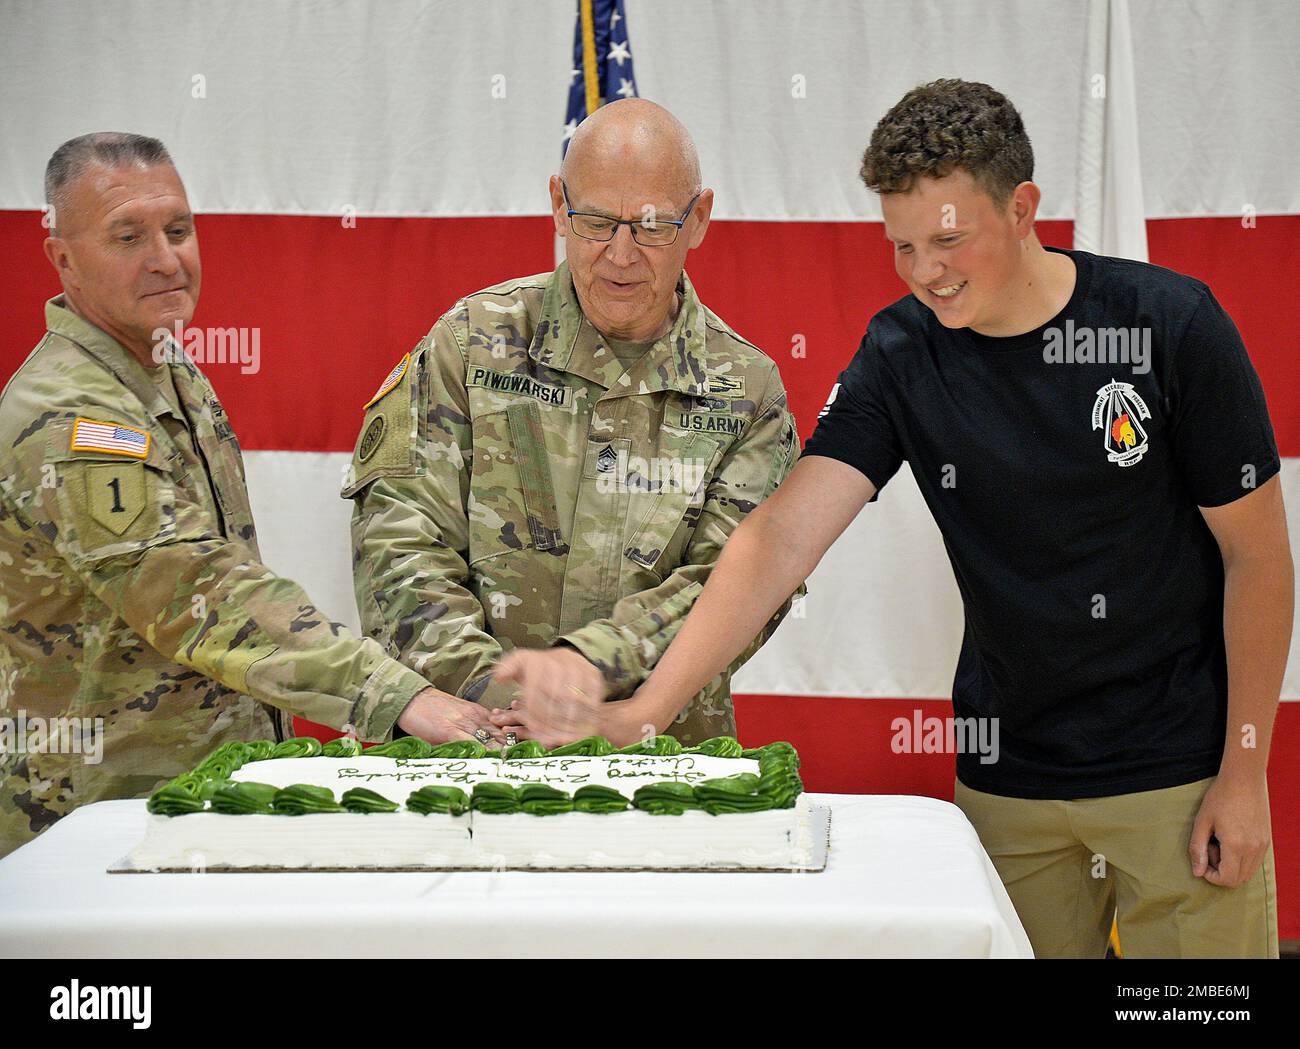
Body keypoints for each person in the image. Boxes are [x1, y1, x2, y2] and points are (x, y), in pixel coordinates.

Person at [514, 80, 1290, 958]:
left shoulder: (1170, 325)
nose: (927, 271)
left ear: (1024, 207)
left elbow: (1258, 561)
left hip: (1180, 776)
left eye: (949, 239)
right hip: (1009, 783)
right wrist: (650, 705)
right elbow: (780, 535)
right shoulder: (902, 349)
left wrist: (1244, 772)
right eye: (903, 246)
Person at [0, 133, 493, 858]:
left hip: (187, 809)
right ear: (63, 259)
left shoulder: (165, 371)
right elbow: (201, 591)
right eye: (127, 236)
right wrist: (398, 695)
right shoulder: (71, 418)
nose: (166, 258)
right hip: (92, 830)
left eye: (178, 229)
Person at [345, 99, 802, 750]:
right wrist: (503, 703)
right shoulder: (469, 346)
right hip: (467, 759)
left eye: (649, 227)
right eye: (594, 222)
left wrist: (588, 668)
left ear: (697, 219)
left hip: (654, 770)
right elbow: (398, 544)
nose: (619, 256)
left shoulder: (748, 392)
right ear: (558, 203)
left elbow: (739, 587)